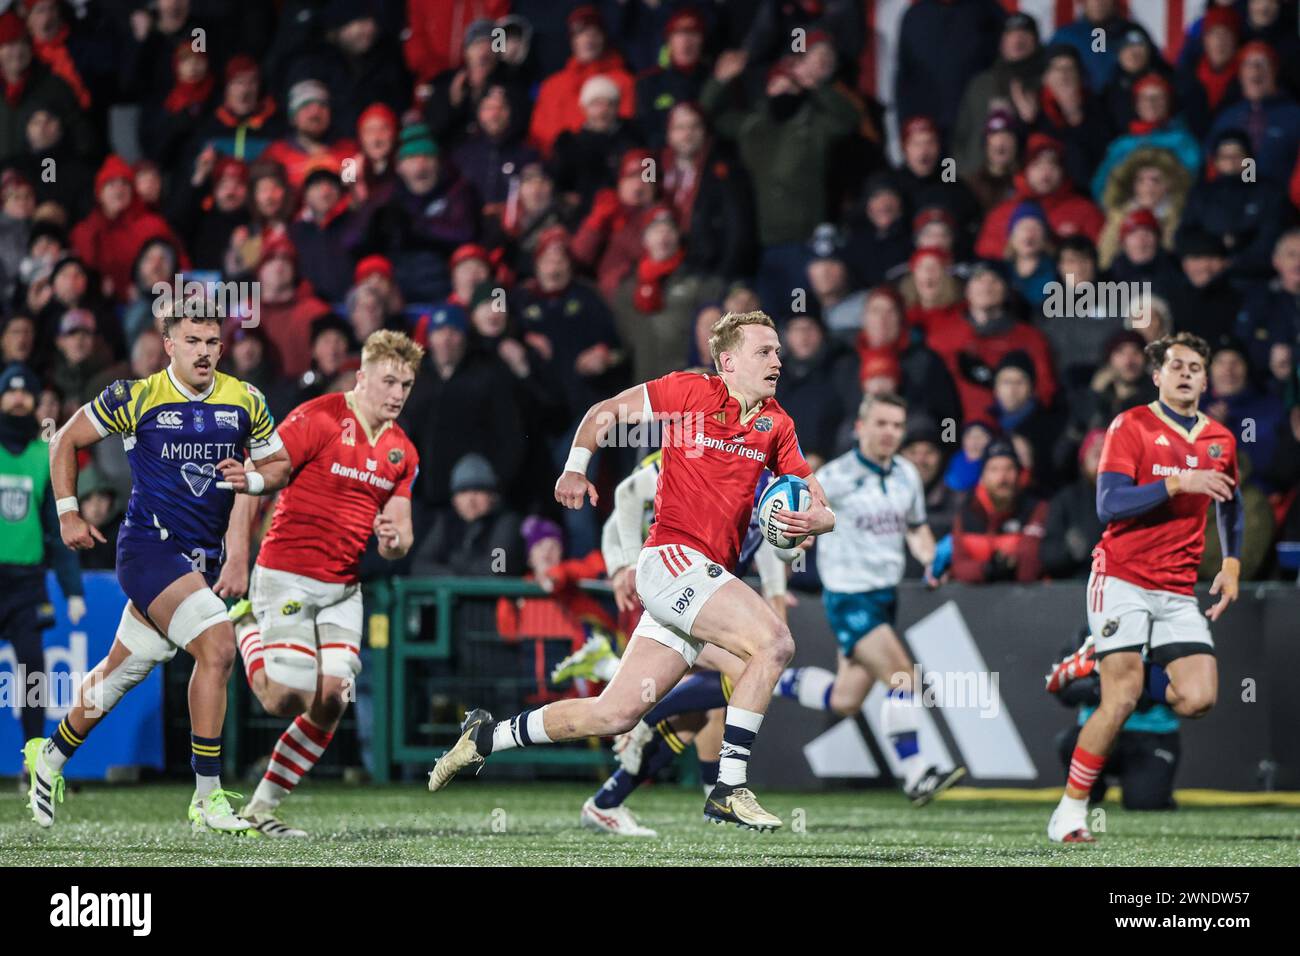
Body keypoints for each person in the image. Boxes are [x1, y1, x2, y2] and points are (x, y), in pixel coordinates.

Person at [427, 310, 836, 831]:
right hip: (672, 559)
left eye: (777, 351)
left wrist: (817, 521)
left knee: (614, 713)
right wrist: (575, 467)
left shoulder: (776, 423)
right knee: (774, 644)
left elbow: (820, 504)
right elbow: (606, 412)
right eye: (764, 351)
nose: (777, 360)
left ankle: (486, 736)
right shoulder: (690, 391)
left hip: (701, 578)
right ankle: (728, 787)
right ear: (728, 362)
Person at [26, 308, 292, 833]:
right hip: (148, 551)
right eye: (191, 340)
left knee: (120, 674)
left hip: (201, 562)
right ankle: (207, 797)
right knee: (218, 645)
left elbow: (279, 465)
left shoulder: (246, 399)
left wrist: (254, 481)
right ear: (168, 345)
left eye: (211, 341)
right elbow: (64, 440)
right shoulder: (137, 396)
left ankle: (49, 756)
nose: (203, 351)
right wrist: (68, 513)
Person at [1046, 332, 1240, 843]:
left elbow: (1231, 503)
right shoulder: (1129, 425)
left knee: (1198, 698)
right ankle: (1069, 813)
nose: (1185, 374)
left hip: (1177, 587)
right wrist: (1177, 482)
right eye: (1176, 365)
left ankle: (1094, 660)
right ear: (1156, 376)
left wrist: (1232, 563)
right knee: (1122, 697)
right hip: (1122, 576)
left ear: (1205, 379)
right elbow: (1109, 505)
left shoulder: (1220, 439)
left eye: (1195, 367)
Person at [226, 331, 422, 837]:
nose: (397, 393)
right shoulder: (319, 417)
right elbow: (251, 479)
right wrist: (238, 559)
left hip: (343, 589)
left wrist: (392, 539)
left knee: (333, 697)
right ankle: (244, 626)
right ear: (362, 377)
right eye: (388, 381)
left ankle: (261, 809)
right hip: (286, 574)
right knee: (284, 700)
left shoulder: (402, 452)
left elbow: (401, 537)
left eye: (405, 385)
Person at [774, 393, 966, 803]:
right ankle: (916, 774)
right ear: (860, 428)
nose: (890, 433)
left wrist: (929, 559)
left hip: (884, 597)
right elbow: (796, 529)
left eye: (897, 425)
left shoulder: (906, 474)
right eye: (881, 423)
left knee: (845, 699)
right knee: (903, 677)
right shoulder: (832, 478)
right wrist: (784, 572)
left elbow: (915, 527)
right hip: (849, 597)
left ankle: (770, 679)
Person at [0, 363, 84, 780]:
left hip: (27, 582)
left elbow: (56, 528)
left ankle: (31, 760)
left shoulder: (43, 455)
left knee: (32, 667)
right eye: (10, 392)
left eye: (25, 393)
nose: (18, 399)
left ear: (35, 402)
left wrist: (73, 590)